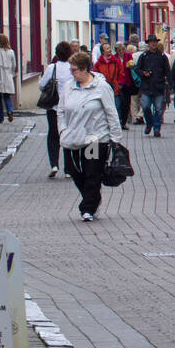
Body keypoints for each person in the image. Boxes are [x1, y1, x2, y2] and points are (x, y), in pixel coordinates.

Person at [58, 50, 123, 222]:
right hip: (72, 136)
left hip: (94, 137)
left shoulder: (100, 87)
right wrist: (62, 130)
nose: (71, 73)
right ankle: (92, 197)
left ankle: (88, 207)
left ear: (85, 69)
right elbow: (61, 111)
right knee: (73, 169)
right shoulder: (68, 87)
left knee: (91, 171)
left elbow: (111, 113)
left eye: (74, 70)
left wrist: (115, 138)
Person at [38, 41, 74, 177]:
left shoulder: (52, 68)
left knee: (53, 135)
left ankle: (54, 164)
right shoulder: (72, 67)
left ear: (56, 53)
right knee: (68, 136)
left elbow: (42, 85)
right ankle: (68, 170)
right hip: (69, 108)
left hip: (54, 107)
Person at [136, 33, 171, 137]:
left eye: (155, 42)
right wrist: (143, 73)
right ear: (148, 44)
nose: (154, 44)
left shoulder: (162, 56)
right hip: (146, 86)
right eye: (152, 42)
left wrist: (169, 83)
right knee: (146, 106)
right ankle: (149, 123)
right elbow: (137, 69)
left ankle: (156, 128)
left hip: (158, 86)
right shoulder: (144, 56)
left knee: (159, 109)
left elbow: (167, 71)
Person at [0, 34, 18, 123]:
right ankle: (9, 110)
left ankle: (0, 117)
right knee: (7, 96)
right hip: (7, 76)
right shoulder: (11, 52)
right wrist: (12, 73)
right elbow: (14, 65)